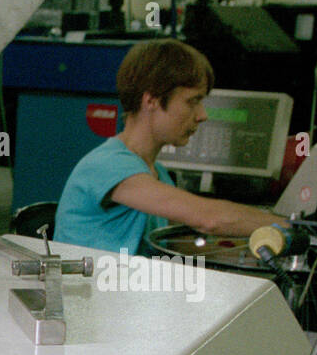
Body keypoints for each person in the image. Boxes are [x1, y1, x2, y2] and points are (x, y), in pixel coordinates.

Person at [54, 39, 285, 256]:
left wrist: (257, 252)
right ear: (151, 100)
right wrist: (284, 225)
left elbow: (179, 245)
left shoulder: (157, 174)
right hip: (93, 297)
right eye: (192, 101)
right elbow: (208, 219)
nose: (202, 115)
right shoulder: (107, 165)